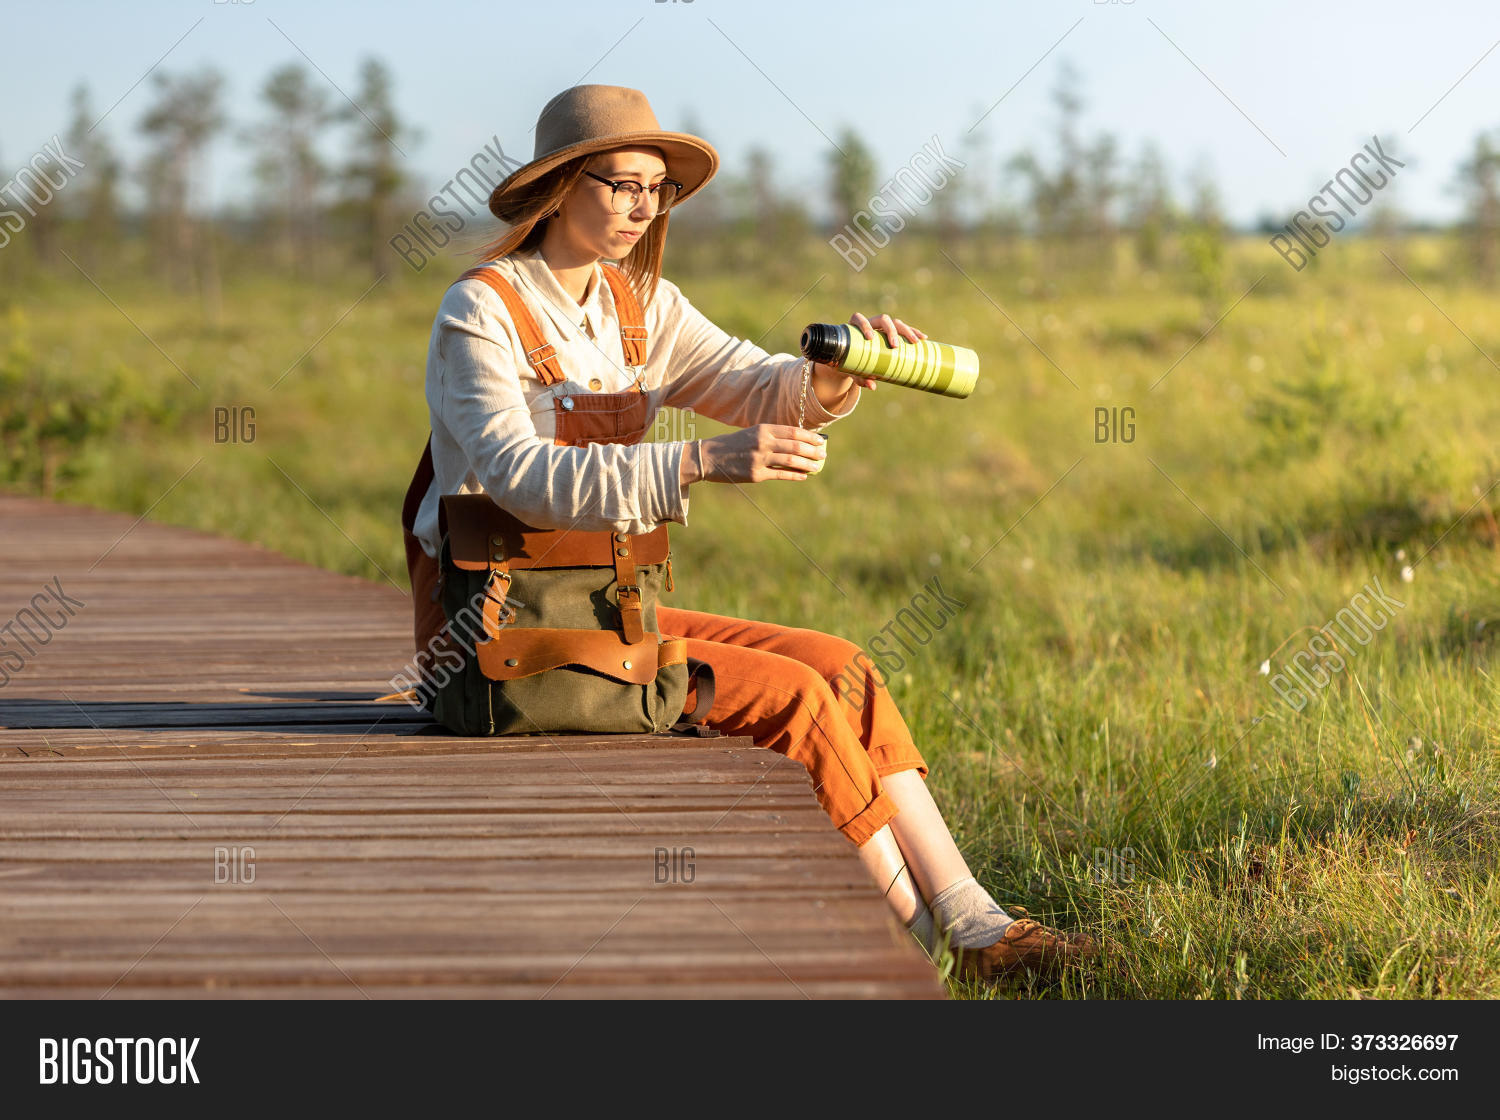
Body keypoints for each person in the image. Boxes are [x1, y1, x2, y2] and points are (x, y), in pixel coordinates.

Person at [405, 84, 1095, 981]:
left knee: (841, 668)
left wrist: (834, 378)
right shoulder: (480, 312)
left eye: (656, 188)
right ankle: (925, 956)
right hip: (495, 636)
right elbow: (518, 478)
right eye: (620, 184)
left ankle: (977, 921)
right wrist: (696, 463)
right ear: (559, 185)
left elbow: (752, 383)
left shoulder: (640, 306)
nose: (641, 206)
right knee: (794, 700)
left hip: (601, 612)